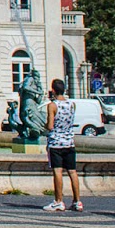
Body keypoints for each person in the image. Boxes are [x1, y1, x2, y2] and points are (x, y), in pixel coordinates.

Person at [44, 78, 80, 211]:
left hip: (56, 143)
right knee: (72, 171)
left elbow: (50, 125)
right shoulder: (72, 104)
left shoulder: (52, 105)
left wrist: (45, 125)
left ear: (53, 90)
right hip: (69, 142)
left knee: (58, 171)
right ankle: (77, 201)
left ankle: (58, 201)